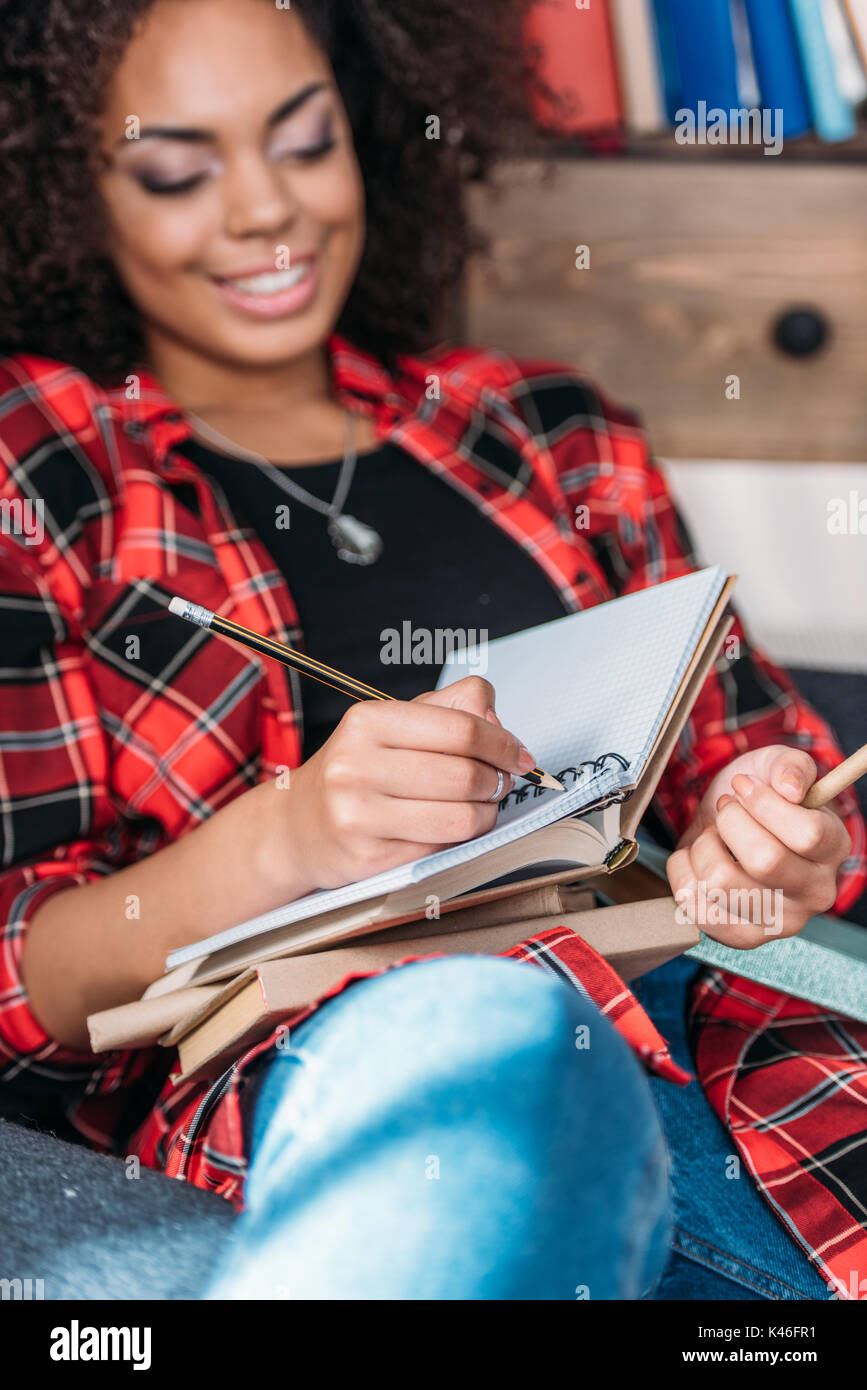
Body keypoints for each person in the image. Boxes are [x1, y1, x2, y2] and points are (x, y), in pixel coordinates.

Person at [0, 0, 863, 1300]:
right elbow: (23, 983)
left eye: (304, 143)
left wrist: (773, 830)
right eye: (178, 168)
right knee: (497, 1026)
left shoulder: (552, 431)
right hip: (388, 1057)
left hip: (740, 1064)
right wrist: (287, 836)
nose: (265, 212)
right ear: (69, 187)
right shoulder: (41, 463)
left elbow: (769, 779)